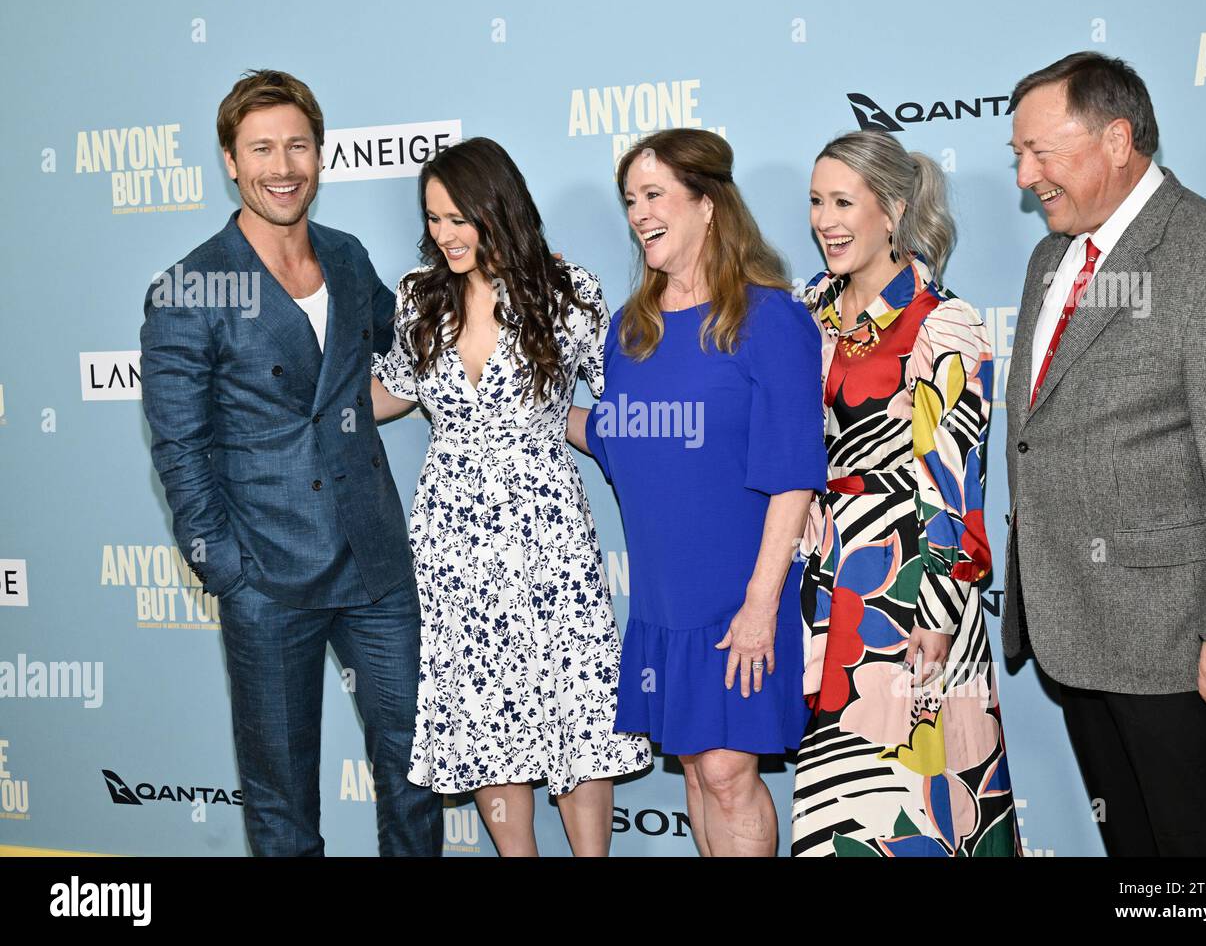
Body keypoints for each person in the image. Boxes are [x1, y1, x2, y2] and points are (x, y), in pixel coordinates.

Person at [1005, 51, 1206, 856]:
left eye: (1042, 152)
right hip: (1076, 629)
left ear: (1117, 139)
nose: (1026, 175)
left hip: (1181, 644)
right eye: (1018, 155)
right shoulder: (1050, 258)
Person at [139, 69, 441, 856]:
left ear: (320, 154)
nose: (283, 166)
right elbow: (180, 449)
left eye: (298, 145)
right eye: (262, 148)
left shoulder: (346, 257)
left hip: (375, 561)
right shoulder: (189, 288)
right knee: (282, 799)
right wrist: (228, 572)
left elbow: (412, 348)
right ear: (231, 162)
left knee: (416, 773)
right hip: (266, 575)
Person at [370, 136, 652, 857]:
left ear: (500, 207)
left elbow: (619, 401)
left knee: (574, 704)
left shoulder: (569, 292)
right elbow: (394, 391)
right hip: (451, 534)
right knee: (486, 714)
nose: (446, 235)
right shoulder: (419, 296)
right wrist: (289, 392)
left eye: (460, 217)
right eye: (434, 219)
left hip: (547, 528)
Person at [567, 128, 826, 857]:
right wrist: (541, 410)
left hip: (739, 595)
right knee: (695, 771)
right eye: (630, 200)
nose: (639, 214)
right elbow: (620, 437)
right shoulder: (632, 329)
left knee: (725, 774)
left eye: (655, 195)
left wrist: (758, 607)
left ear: (708, 204)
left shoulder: (768, 317)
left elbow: (794, 473)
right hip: (663, 599)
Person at [791, 131, 1019, 857]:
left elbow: (955, 480)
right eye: (816, 202)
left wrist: (943, 613)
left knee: (915, 809)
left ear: (890, 211)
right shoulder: (809, 309)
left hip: (908, 590)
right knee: (839, 813)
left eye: (843, 203)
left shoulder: (941, 321)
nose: (825, 220)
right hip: (828, 591)